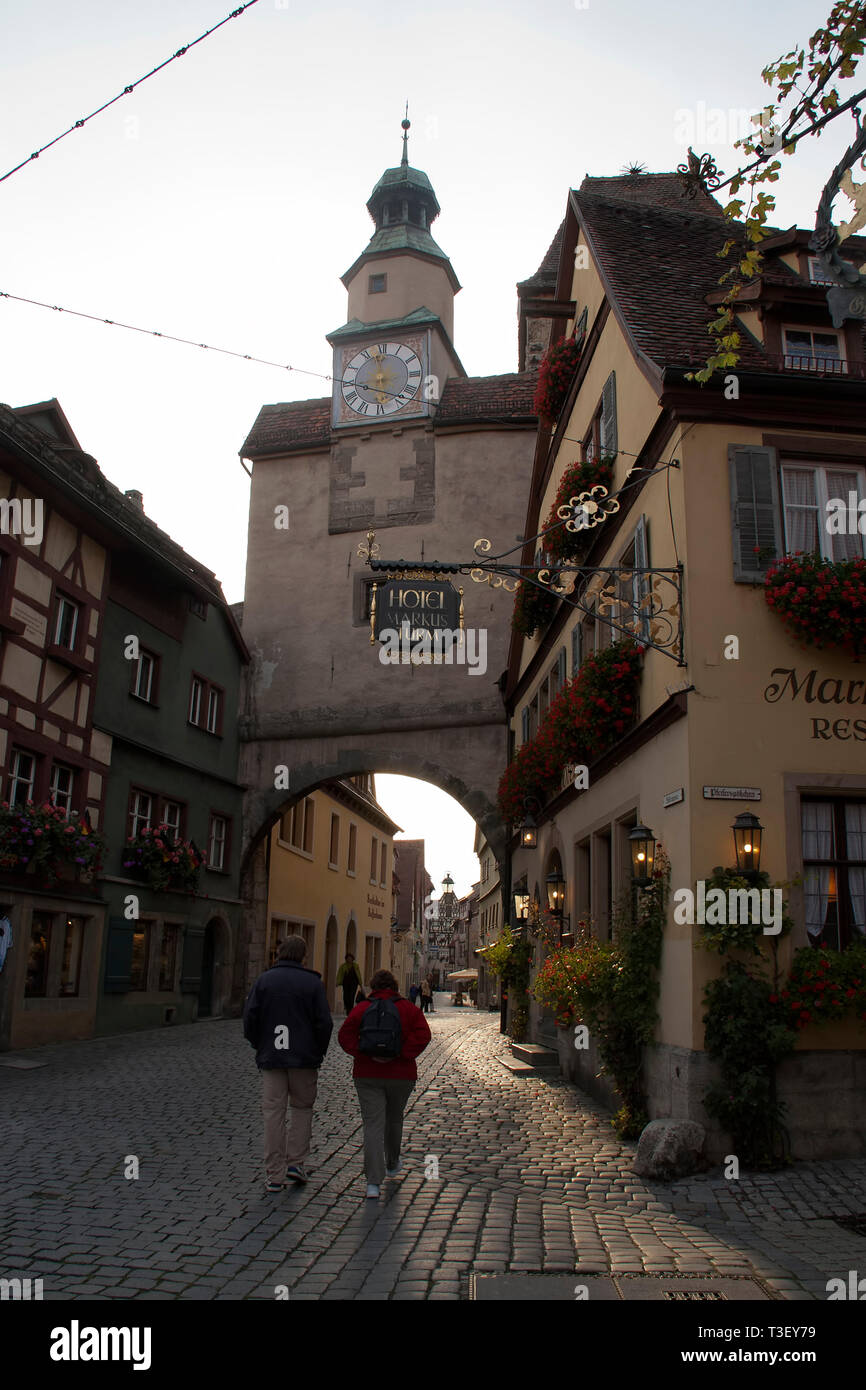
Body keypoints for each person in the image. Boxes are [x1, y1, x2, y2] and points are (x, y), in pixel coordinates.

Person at [243, 935, 333, 1193]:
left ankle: (274, 1174)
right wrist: (318, 1051)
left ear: (279, 953)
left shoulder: (264, 981)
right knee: (302, 1109)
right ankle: (296, 1163)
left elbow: (250, 1018)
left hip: (272, 1058)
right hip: (303, 1059)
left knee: (273, 1113)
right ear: (304, 955)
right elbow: (324, 1023)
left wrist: (259, 1045)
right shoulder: (312, 983)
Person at [338, 968, 431, 1199]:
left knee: (372, 1125)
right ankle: (392, 1163)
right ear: (395, 987)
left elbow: (344, 1035)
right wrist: (402, 1054)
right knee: (394, 1118)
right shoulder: (408, 1008)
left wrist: (363, 1052)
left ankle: (373, 1183)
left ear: (373, 986)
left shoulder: (362, 1008)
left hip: (368, 1074)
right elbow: (424, 1035)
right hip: (401, 1075)